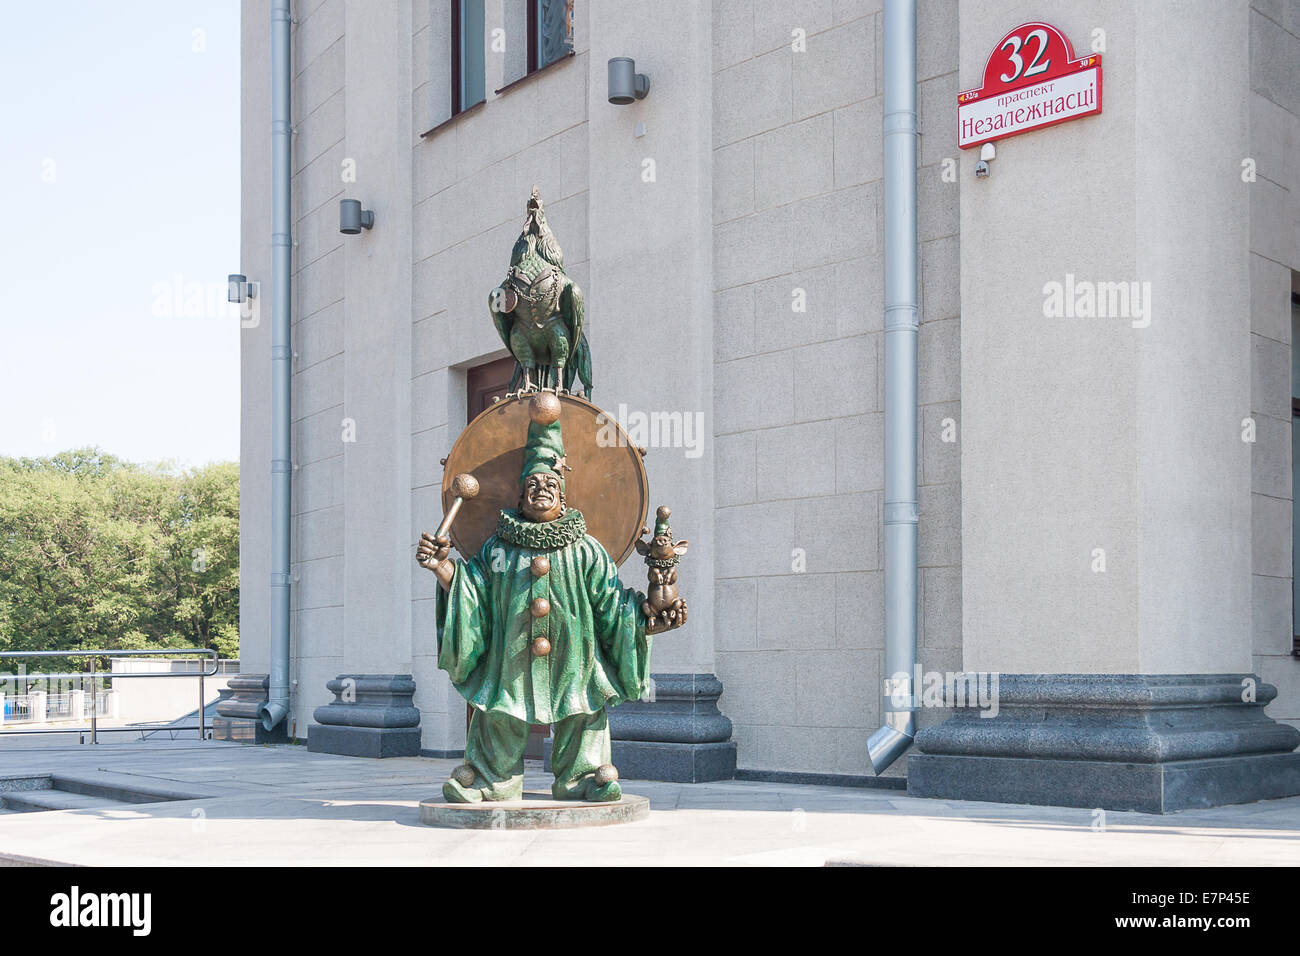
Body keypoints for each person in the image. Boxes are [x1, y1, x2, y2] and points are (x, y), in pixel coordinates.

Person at [417, 394, 685, 802]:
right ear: (521, 496)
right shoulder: (497, 549)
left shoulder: (588, 550)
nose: (542, 489)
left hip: (574, 655)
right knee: (501, 709)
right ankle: (491, 778)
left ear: (564, 495)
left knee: (582, 708)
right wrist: (442, 566)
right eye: (533, 484)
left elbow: (611, 605)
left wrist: (644, 615)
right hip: (511, 657)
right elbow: (473, 592)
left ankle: (583, 776)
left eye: (551, 484)